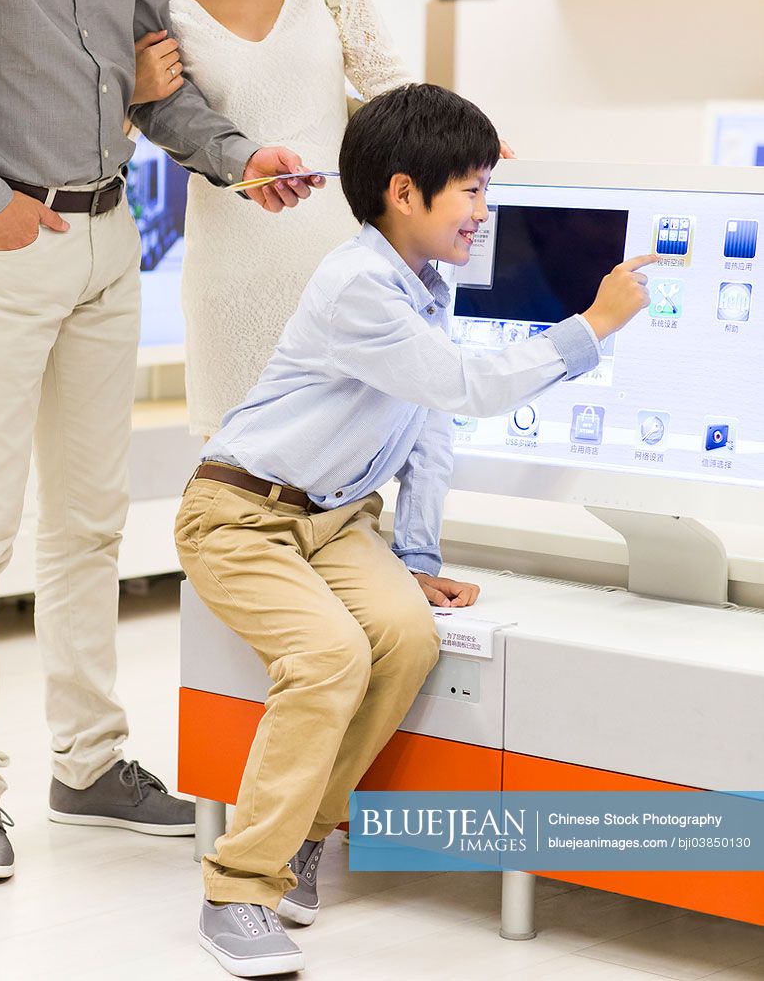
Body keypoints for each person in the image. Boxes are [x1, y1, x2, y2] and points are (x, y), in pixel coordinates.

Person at [0, 0, 320, 883]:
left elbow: (160, 90)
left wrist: (240, 156)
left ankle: (89, 763)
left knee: (92, 519)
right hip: (8, 243)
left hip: (109, 247)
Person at [174, 82, 656, 976]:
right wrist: (592, 325)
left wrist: (418, 557)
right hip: (240, 513)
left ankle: (303, 839)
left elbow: (430, 428)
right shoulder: (360, 284)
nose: (484, 210)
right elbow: (468, 392)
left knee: (404, 636)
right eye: (470, 189)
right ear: (404, 192)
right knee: (328, 656)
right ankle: (236, 886)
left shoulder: (423, 286)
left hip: (334, 519)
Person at [130, 0, 414, 437]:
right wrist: (130, 85)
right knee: (240, 505)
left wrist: (462, 137)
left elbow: (386, 83)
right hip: (232, 284)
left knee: (350, 489)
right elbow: (151, 119)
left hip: (343, 272)